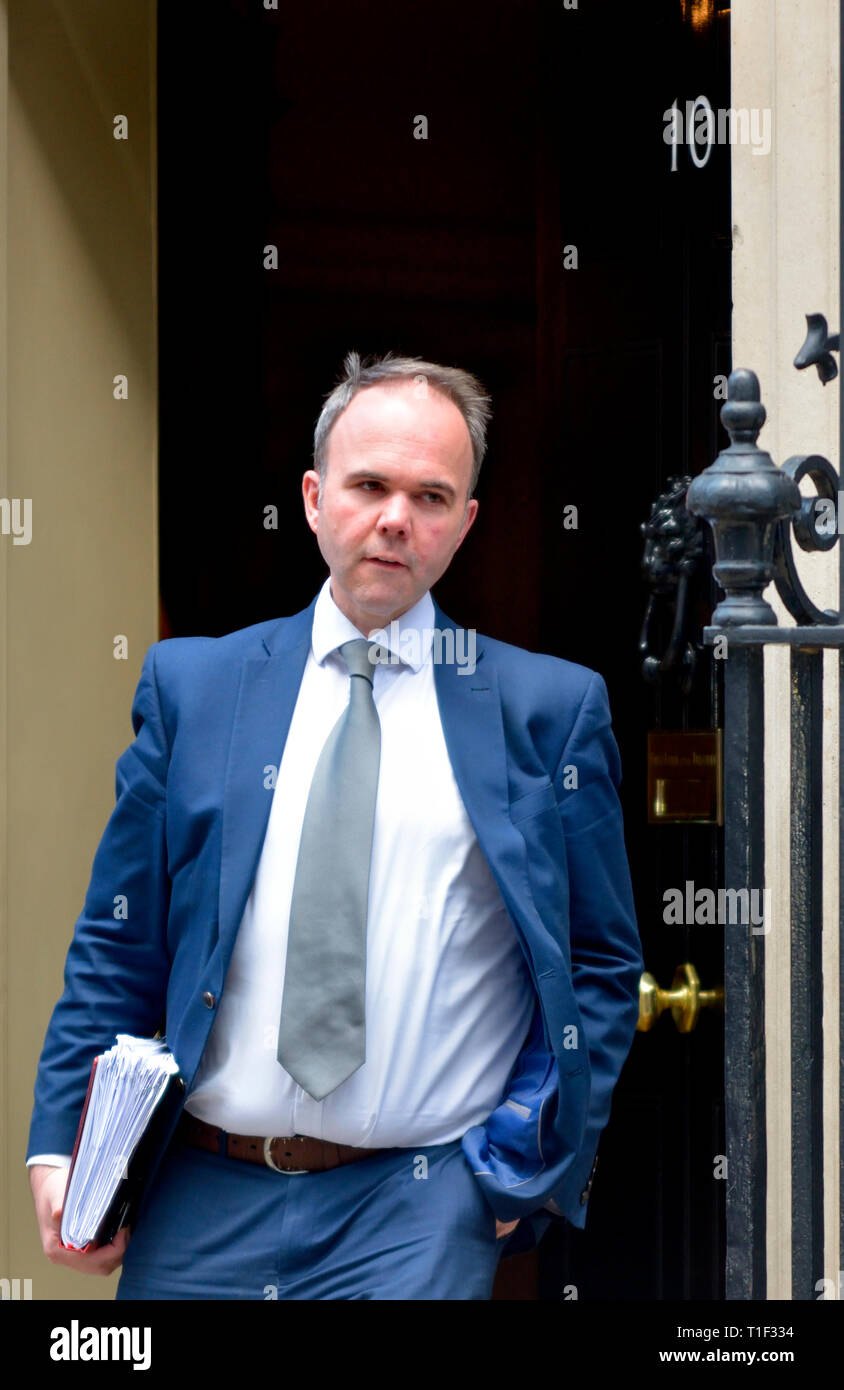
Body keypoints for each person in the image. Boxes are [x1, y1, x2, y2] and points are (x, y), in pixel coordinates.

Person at [27, 351, 643, 1300]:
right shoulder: (196, 688)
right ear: (315, 499)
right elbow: (119, 939)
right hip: (198, 1194)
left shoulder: (546, 711)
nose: (397, 518)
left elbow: (599, 963)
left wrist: (521, 1168)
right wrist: (61, 1148)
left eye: (432, 497)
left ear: (467, 522)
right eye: (369, 485)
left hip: (419, 1206)